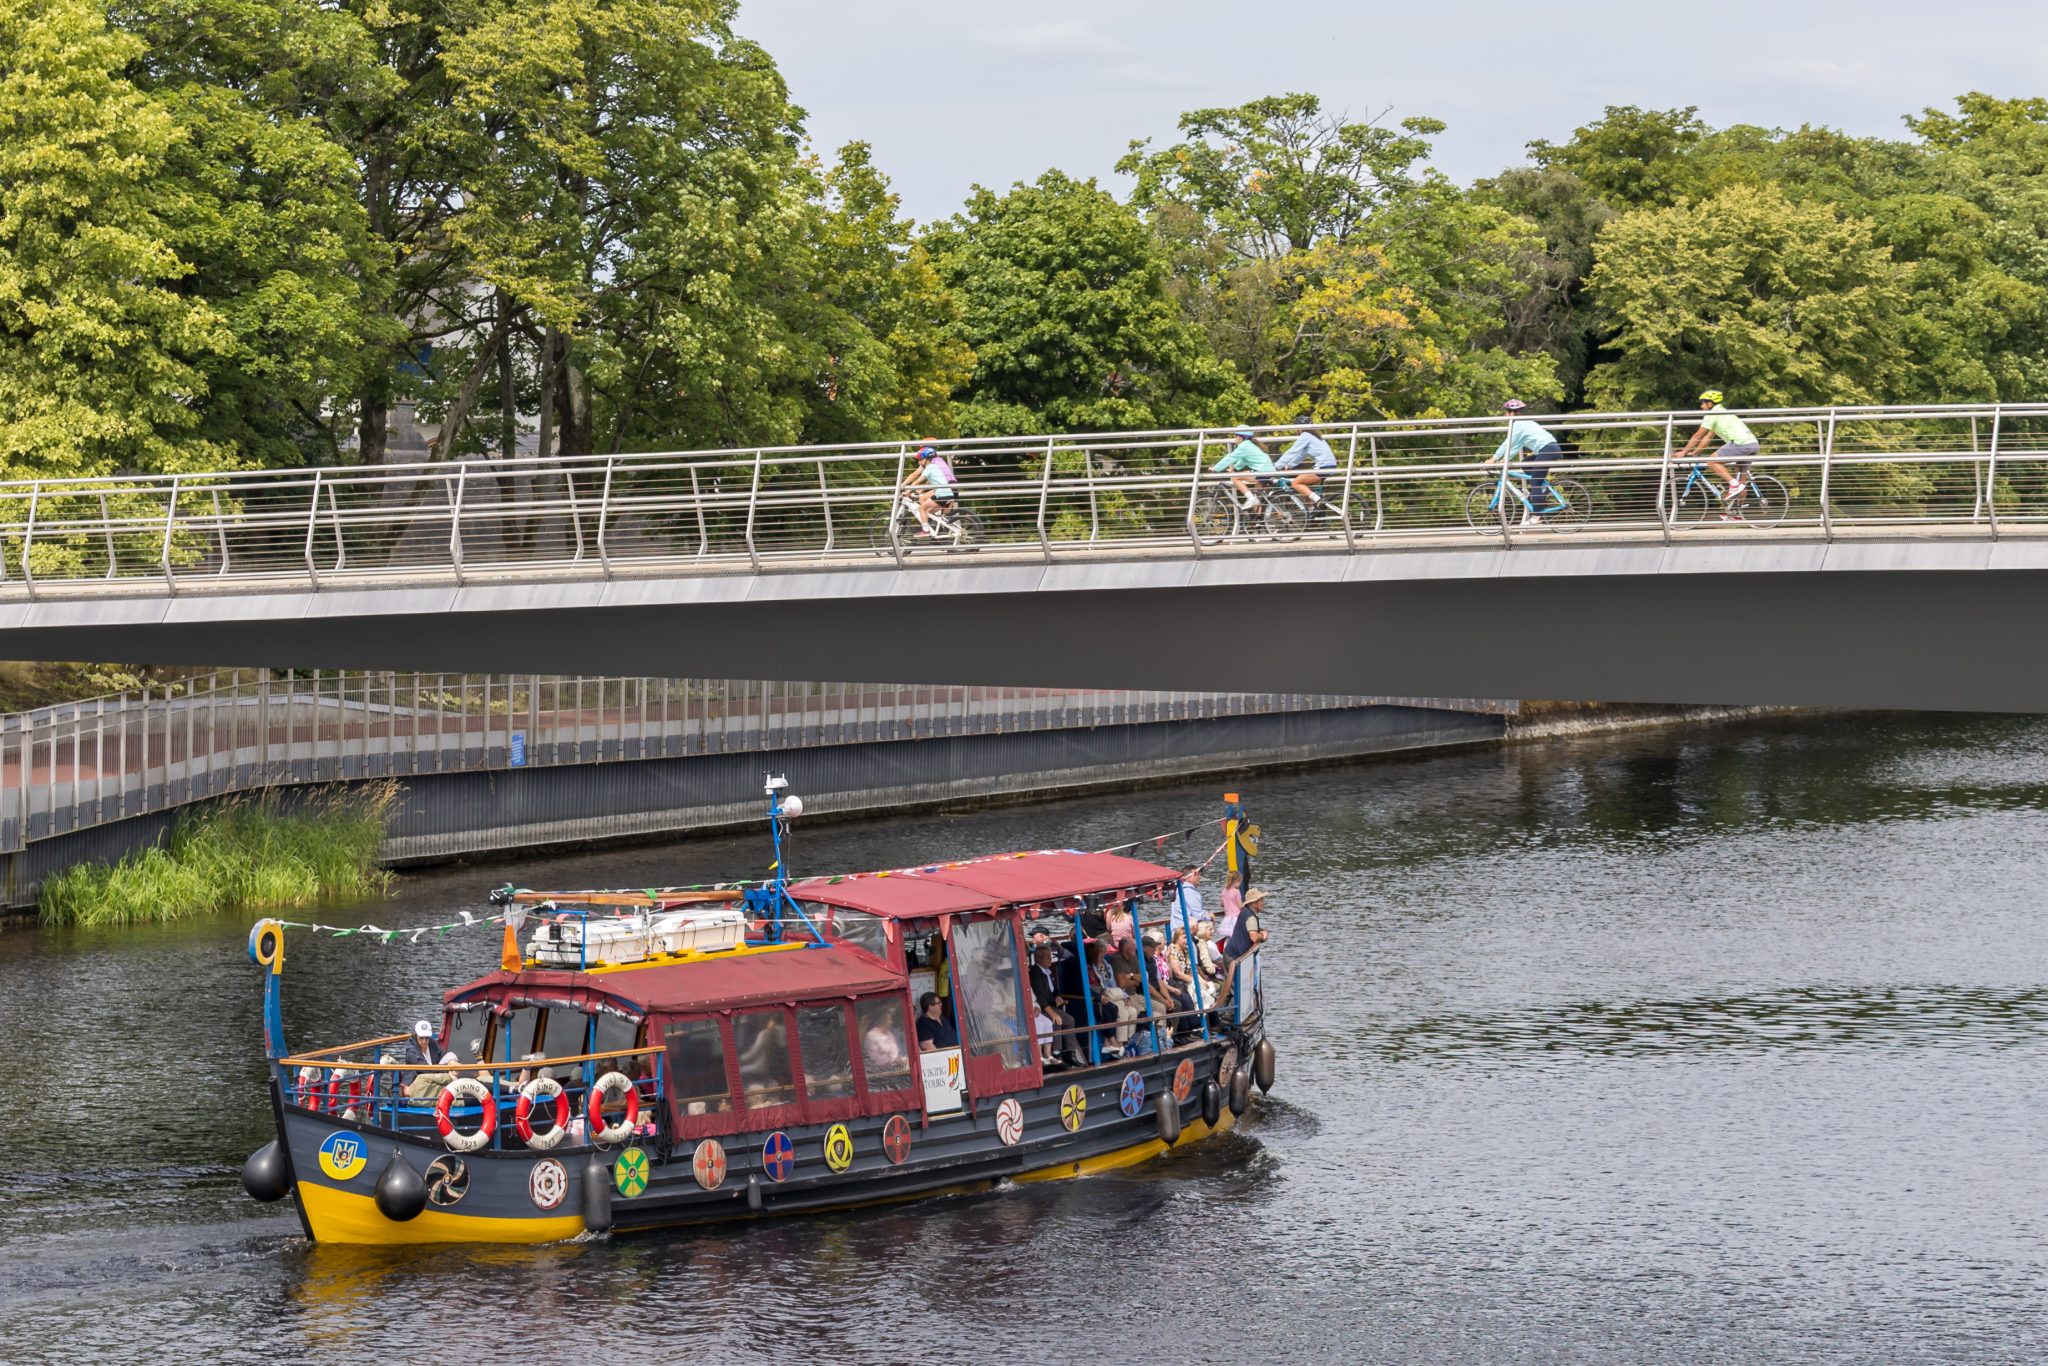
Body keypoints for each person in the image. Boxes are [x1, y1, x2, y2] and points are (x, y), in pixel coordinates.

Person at [1486, 400, 1567, 525]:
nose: (1505, 416)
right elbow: (1516, 445)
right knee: (1525, 463)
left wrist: (1493, 458)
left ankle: (1536, 517)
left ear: (1512, 414)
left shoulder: (1518, 425)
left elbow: (1508, 443)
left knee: (1535, 481)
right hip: (1550, 448)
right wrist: (1503, 460)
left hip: (1547, 450)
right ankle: (1542, 491)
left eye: (1506, 413)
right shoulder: (1524, 423)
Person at [1674, 389, 1761, 505]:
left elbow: (1697, 435)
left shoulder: (1712, 414)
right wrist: (1694, 453)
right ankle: (1736, 513)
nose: (1701, 406)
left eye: (1703, 403)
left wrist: (1683, 452)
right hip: (1752, 444)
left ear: (1710, 403)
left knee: (1712, 462)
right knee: (1741, 482)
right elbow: (1708, 438)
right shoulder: (1723, 413)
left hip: (1740, 443)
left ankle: (1734, 485)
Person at [1029, 944, 1079, 1063]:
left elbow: (1053, 991)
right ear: (1039, 958)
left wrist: (1057, 997)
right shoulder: (1035, 972)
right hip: (1042, 1008)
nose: (1050, 959)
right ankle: (1056, 1053)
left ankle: (1070, 1053)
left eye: (1050, 956)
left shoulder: (1048, 972)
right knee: (1055, 1021)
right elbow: (1040, 996)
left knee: (1070, 1020)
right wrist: (1052, 1013)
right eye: (1047, 957)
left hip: (1051, 1005)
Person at [897, 441, 958, 538]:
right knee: (929, 511)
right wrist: (921, 490)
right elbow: (935, 480)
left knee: (922, 507)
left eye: (920, 460)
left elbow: (917, 479)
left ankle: (926, 530)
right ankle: (935, 529)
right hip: (949, 492)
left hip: (942, 494)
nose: (919, 462)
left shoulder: (929, 468)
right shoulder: (937, 464)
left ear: (925, 459)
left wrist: (907, 490)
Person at [1211, 425, 1276, 510]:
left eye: (1234, 436)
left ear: (1239, 437)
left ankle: (1250, 499)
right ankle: (1259, 521)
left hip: (1262, 471)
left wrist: (1216, 468)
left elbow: (1230, 457)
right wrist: (1234, 468)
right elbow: (1243, 460)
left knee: (1235, 477)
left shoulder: (1244, 446)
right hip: (1267, 471)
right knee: (1257, 497)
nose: (1234, 439)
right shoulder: (1248, 445)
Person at [1275, 423, 1338, 510]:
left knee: (1296, 483)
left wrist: (1276, 466)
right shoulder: (1313, 436)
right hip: (1330, 466)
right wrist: (1289, 466)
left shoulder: (1305, 436)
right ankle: (1311, 511)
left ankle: (1318, 500)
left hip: (1323, 466)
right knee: (1303, 488)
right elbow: (1301, 455)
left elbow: (1292, 451)